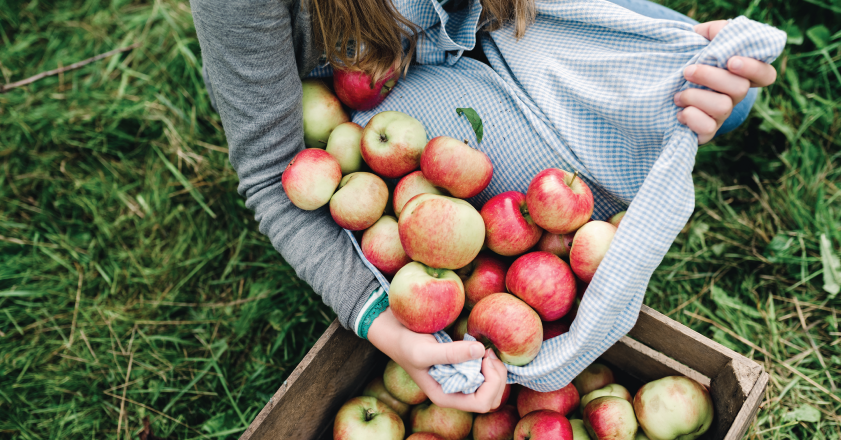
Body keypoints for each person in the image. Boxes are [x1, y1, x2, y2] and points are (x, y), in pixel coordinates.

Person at [190, 0, 777, 413]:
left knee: (728, 95)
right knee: (524, 205)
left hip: (495, 16)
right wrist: (387, 325)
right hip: (376, 80)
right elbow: (272, 177)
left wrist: (645, 57)